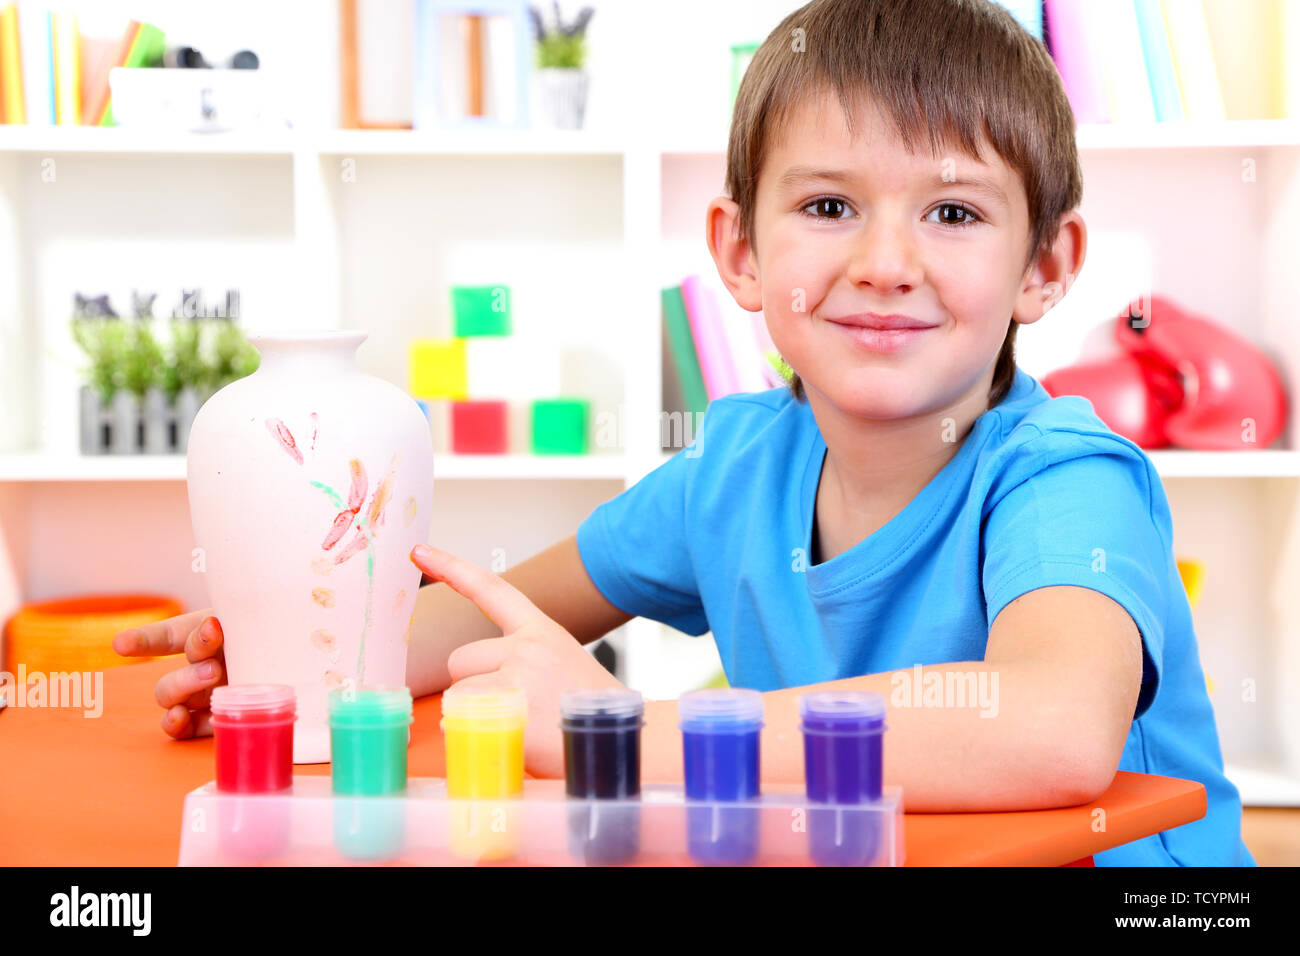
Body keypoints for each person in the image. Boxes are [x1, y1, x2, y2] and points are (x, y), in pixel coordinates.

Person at [114, 0, 1253, 865]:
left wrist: (625, 728)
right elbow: (492, 616)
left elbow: (1050, 728)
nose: (885, 262)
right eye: (826, 206)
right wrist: (303, 654)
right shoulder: (734, 466)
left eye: (951, 211)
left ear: (1044, 267)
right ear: (740, 253)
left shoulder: (1063, 477)